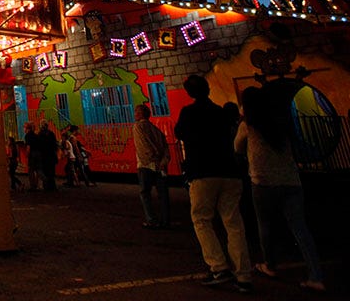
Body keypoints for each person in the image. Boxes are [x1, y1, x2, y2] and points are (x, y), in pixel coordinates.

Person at [235, 85, 326, 292]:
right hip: (291, 181)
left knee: (265, 225)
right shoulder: (281, 123)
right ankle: (316, 275)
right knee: (300, 228)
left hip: (262, 181)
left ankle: (270, 264)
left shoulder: (248, 125)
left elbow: (237, 147)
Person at [174, 74, 252, 292]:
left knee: (201, 219)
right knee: (233, 222)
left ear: (190, 93)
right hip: (229, 172)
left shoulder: (189, 112)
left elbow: (178, 132)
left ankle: (218, 266)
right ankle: (244, 275)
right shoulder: (221, 113)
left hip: (203, 172)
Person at [133, 103, 170, 229]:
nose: (135, 114)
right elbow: (165, 146)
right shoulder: (155, 129)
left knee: (145, 193)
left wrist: (151, 160)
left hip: (146, 165)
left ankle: (151, 219)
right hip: (160, 165)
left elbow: (142, 146)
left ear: (140, 114)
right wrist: (163, 161)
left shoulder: (138, 127)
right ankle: (165, 219)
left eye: (136, 112)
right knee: (163, 194)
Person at [38, 121, 58, 191]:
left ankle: (46, 186)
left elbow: (39, 146)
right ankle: (53, 186)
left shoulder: (40, 134)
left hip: (44, 156)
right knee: (52, 171)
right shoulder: (51, 133)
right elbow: (55, 144)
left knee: (45, 171)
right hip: (51, 155)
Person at [23, 120, 41, 190]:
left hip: (32, 154)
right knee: (37, 170)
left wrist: (27, 154)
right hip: (38, 153)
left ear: (27, 128)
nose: (24, 129)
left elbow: (28, 146)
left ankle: (32, 186)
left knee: (31, 170)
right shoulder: (35, 135)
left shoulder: (27, 136)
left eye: (24, 127)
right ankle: (37, 184)